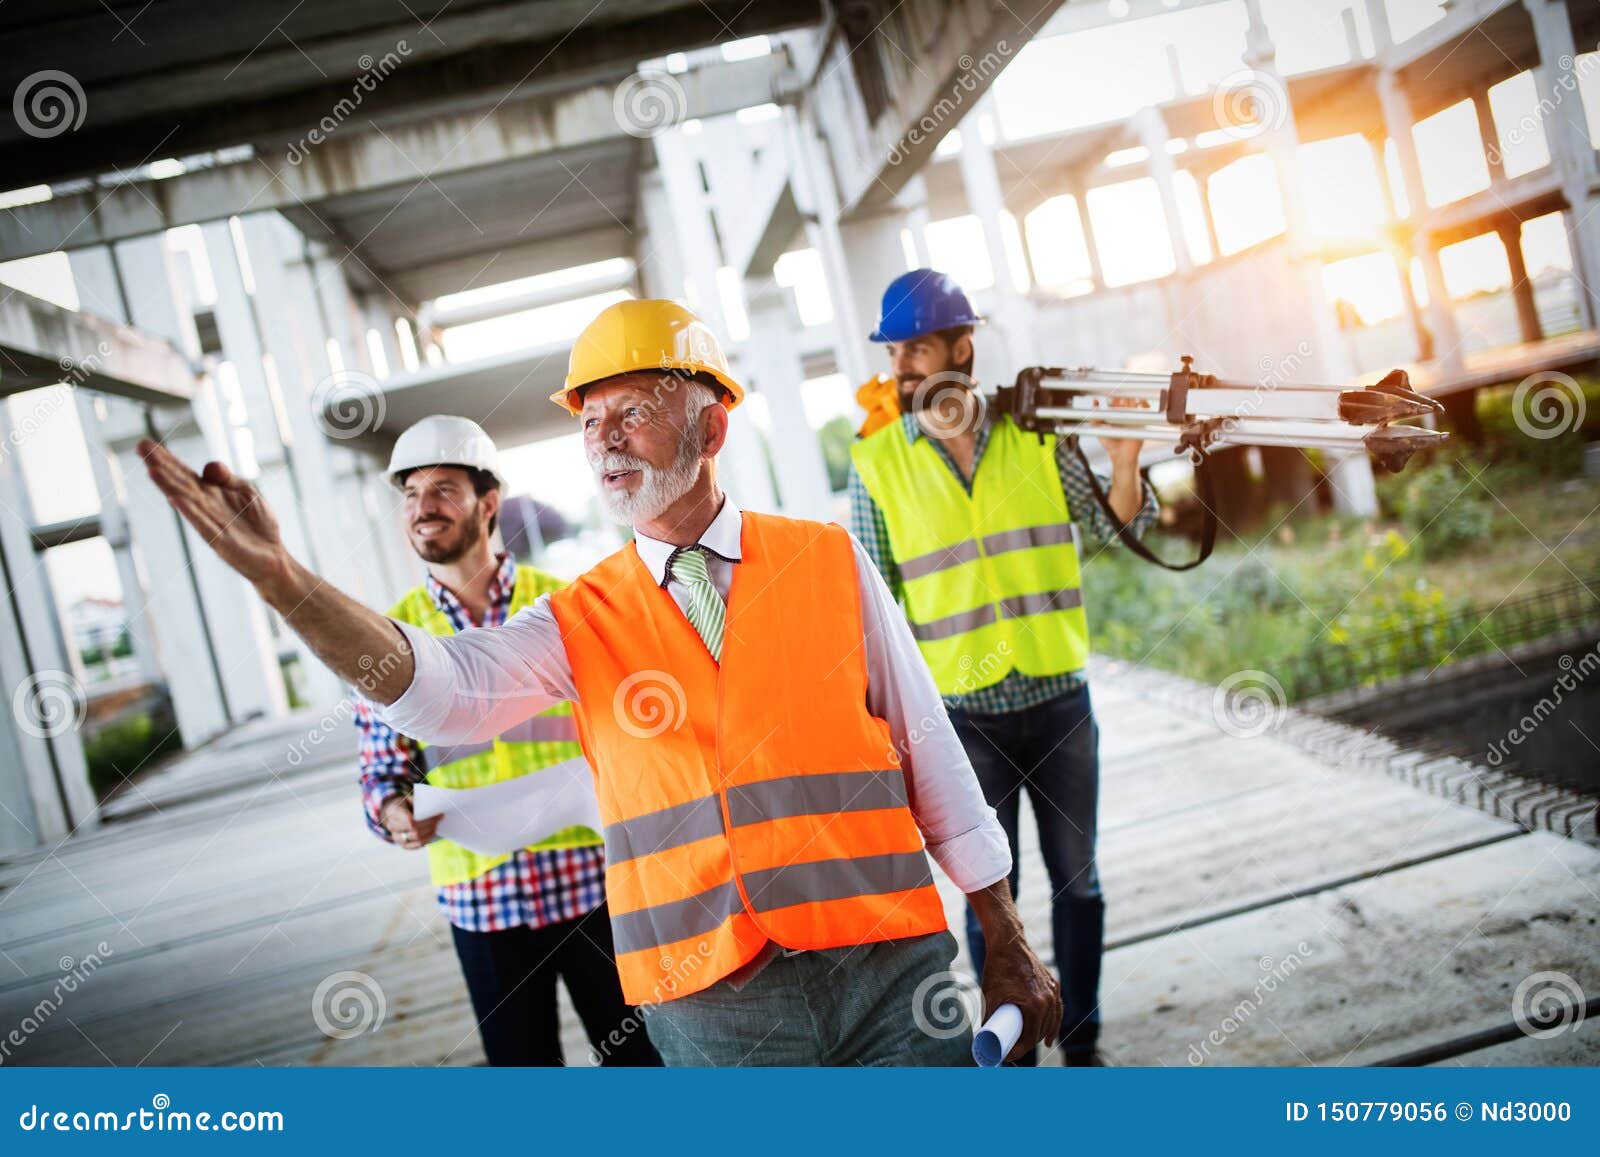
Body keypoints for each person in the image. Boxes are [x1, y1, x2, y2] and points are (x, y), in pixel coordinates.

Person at [135, 299, 1060, 1067]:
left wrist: (1007, 936)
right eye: (587, 420)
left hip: (892, 974)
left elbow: (927, 748)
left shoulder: (825, 559)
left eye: (630, 412)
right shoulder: (578, 620)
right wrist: (286, 584)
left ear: (712, 424)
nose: (603, 441)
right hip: (714, 1007)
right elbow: (438, 690)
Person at [847, 269, 1161, 1066]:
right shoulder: (879, 462)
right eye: (895, 352)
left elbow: (1112, 528)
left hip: (1059, 697)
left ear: (963, 347)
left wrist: (1125, 461)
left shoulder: (1036, 433)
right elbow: (875, 612)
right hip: (963, 718)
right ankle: (1011, 1062)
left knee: (1077, 881)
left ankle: (1082, 1045)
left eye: (917, 348)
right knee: (993, 901)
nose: (903, 368)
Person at [353, 414, 659, 1067]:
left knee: (643, 1064)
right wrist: (393, 812)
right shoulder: (393, 636)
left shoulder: (569, 606)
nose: (421, 508)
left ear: (487, 503)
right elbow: (381, 772)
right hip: (482, 901)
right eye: (410, 494)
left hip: (595, 888)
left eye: (441, 490)